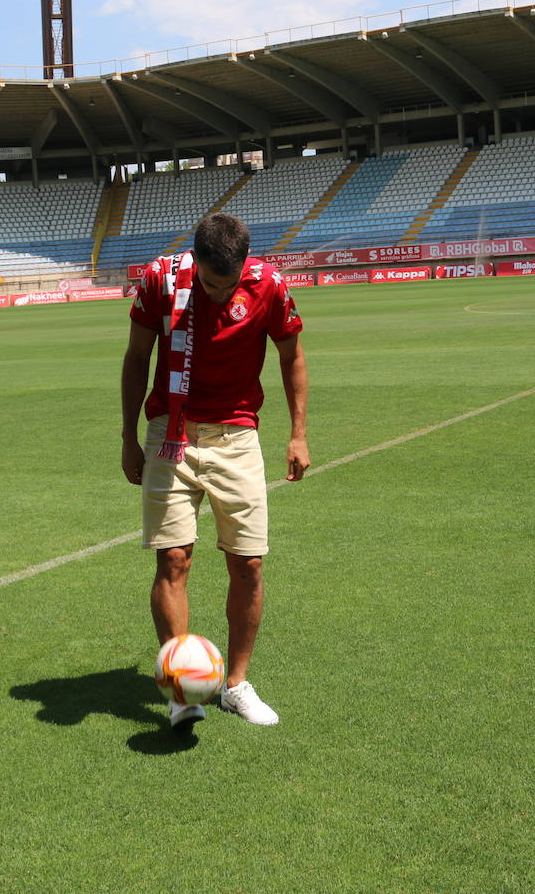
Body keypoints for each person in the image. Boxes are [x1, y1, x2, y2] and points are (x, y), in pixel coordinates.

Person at [120, 213, 309, 731]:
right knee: (174, 559)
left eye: (227, 285)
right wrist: (128, 436)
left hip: (238, 437)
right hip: (169, 433)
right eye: (208, 282)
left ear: (244, 264)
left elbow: (291, 356)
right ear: (194, 261)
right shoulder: (161, 280)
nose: (218, 293)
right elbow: (137, 358)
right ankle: (182, 690)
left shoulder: (269, 286)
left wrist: (297, 433)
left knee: (247, 564)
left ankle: (236, 686)